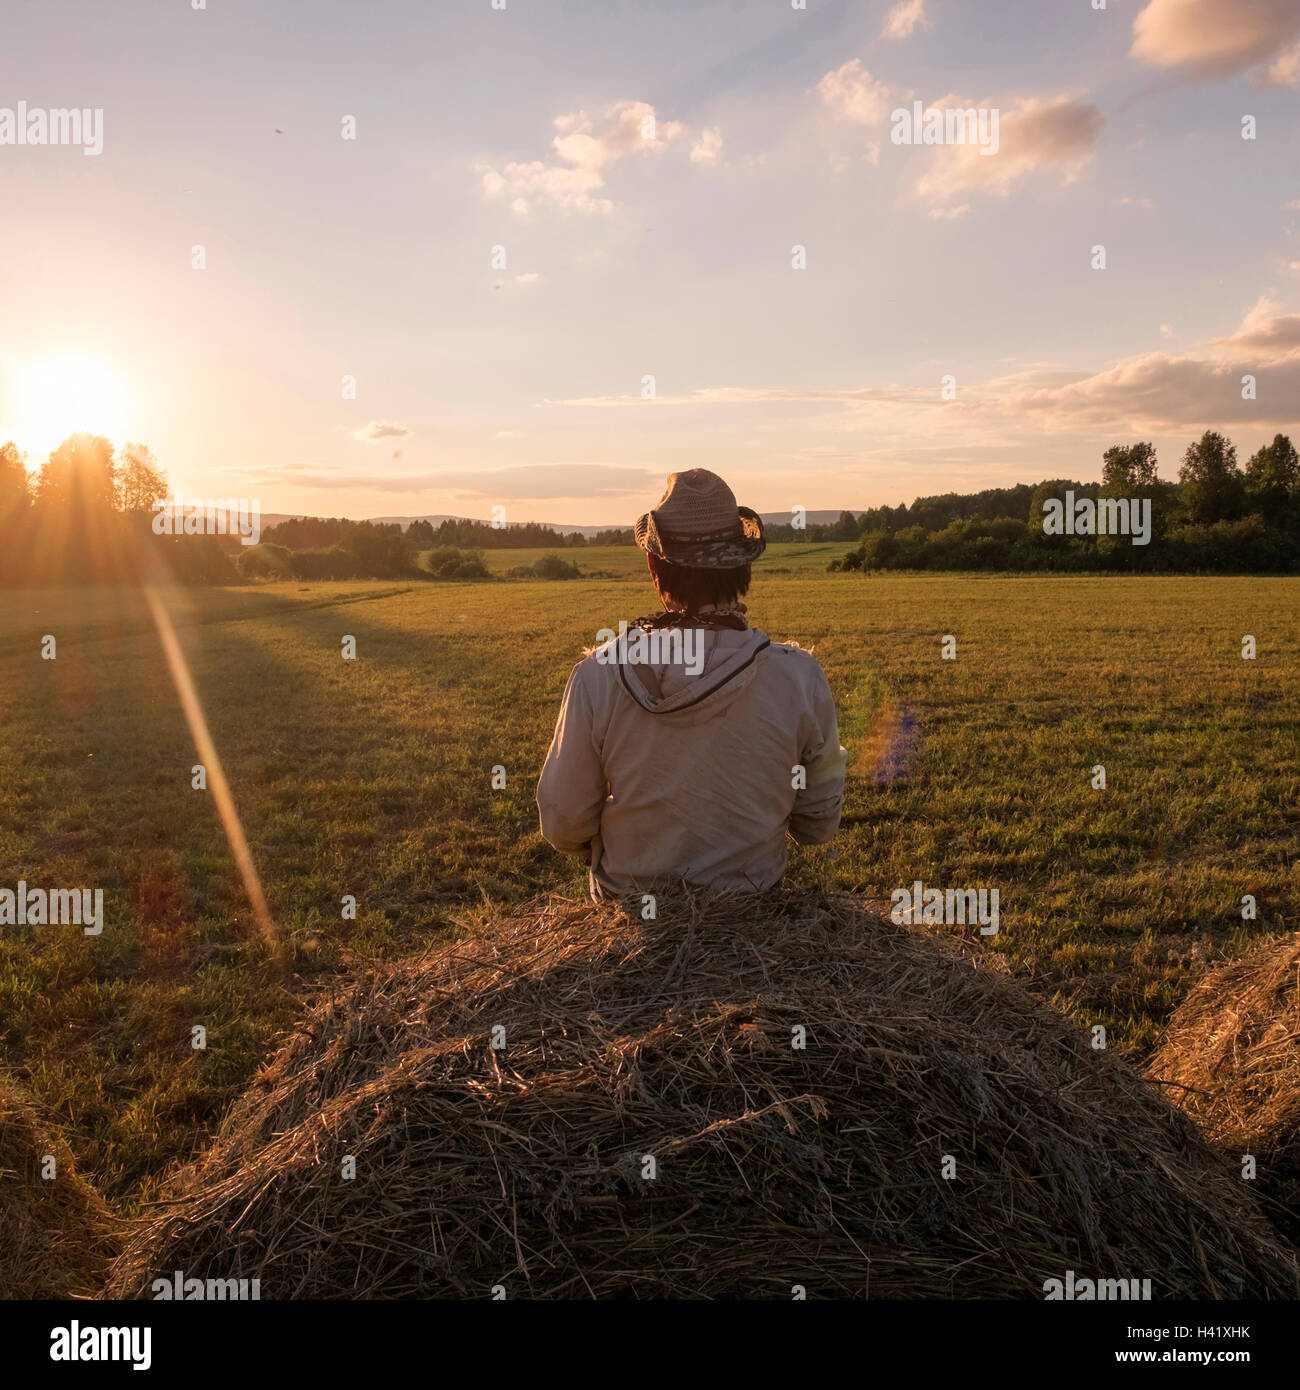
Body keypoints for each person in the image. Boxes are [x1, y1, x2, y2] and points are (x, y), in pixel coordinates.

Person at [536, 468, 846, 899]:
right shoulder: (799, 677)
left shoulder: (598, 675)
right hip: (753, 906)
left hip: (627, 907)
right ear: (742, 566)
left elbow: (563, 820)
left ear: (653, 565)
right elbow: (817, 825)